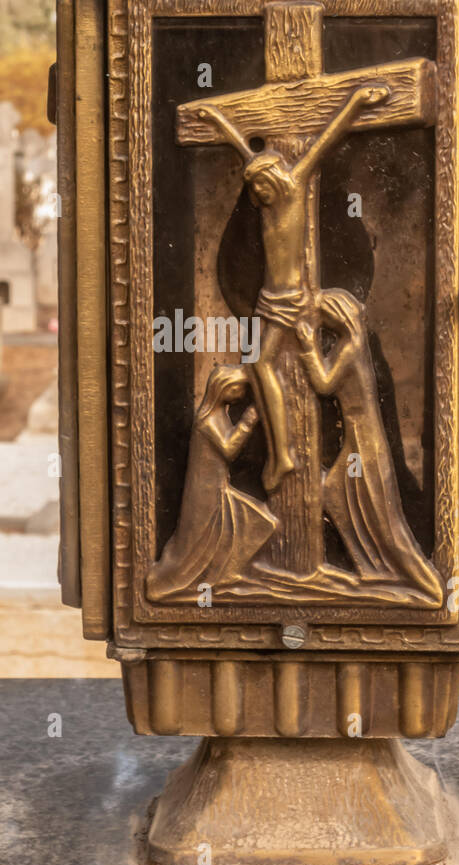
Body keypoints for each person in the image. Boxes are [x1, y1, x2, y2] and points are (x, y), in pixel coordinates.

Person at [192, 83, 388, 491]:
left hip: (291, 299)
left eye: (262, 186)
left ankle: (281, 455)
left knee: (264, 365)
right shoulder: (264, 195)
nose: (257, 194)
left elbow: (324, 141)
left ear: (277, 178)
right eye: (253, 188)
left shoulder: (293, 189)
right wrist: (216, 119)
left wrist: (354, 103)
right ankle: (280, 452)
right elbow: (242, 149)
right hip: (270, 299)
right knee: (259, 366)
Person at [295, 289, 442, 603]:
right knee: (340, 494)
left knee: (366, 502)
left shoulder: (350, 348)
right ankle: (369, 568)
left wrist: (306, 344)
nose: (320, 321)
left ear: (337, 317)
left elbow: (322, 383)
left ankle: (389, 570)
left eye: (323, 315)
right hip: (359, 435)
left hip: (363, 438)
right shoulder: (354, 344)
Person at [146, 365, 277, 602]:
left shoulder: (220, 416)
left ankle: (225, 574)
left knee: (260, 524)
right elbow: (229, 450)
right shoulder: (208, 421)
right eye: (238, 389)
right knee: (197, 544)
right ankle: (189, 580)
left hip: (219, 487)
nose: (241, 393)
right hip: (205, 492)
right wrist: (248, 421)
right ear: (223, 390)